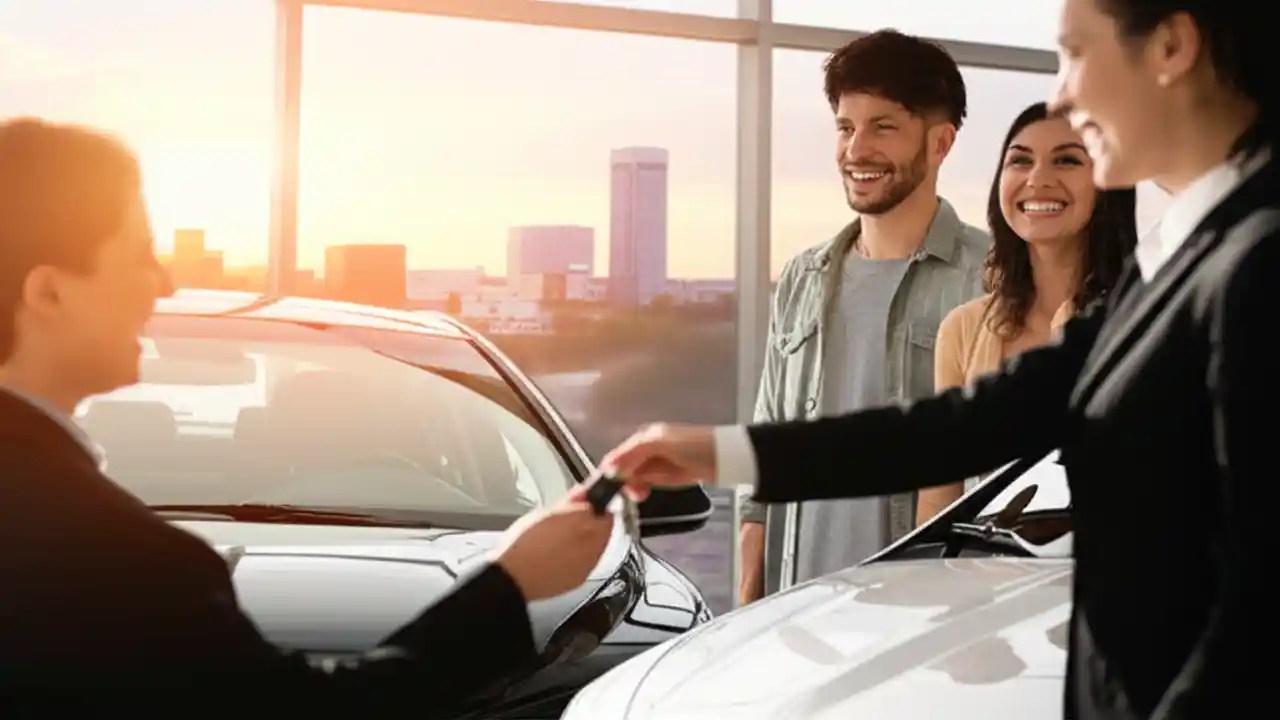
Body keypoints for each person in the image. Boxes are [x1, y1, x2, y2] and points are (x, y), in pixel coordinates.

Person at [602, 1, 1275, 717]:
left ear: (1171, 46)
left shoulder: (1263, 261)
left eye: (1076, 54)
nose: (1065, 95)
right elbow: (964, 425)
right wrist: (718, 452)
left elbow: (1260, 608)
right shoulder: (1176, 254)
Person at [0, 118, 615, 713]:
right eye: (138, 255)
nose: (162, 283)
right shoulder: (126, 567)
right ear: (48, 292)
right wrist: (511, 584)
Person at [738, 29, 990, 605]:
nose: (856, 150)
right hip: (799, 615)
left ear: (940, 144)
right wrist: (748, 603)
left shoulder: (992, 277)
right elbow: (764, 461)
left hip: (921, 616)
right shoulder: (802, 277)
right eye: (846, 127)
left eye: (884, 126)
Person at [915, 101, 1138, 525]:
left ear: (1108, 180)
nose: (1038, 179)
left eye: (1067, 160)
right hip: (998, 585)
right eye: (1020, 160)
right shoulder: (963, 329)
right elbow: (938, 502)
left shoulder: (1147, 315)